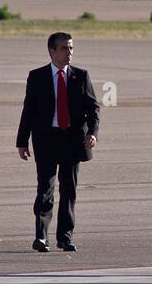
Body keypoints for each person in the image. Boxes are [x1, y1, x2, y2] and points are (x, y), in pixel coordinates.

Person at [16, 32, 99, 252]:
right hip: (46, 140)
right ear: (52, 51)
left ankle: (65, 236)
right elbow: (29, 111)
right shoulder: (37, 77)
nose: (69, 52)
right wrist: (22, 142)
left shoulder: (81, 76)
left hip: (73, 140)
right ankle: (41, 236)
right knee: (45, 188)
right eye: (64, 48)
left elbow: (93, 109)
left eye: (71, 48)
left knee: (69, 190)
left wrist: (92, 133)